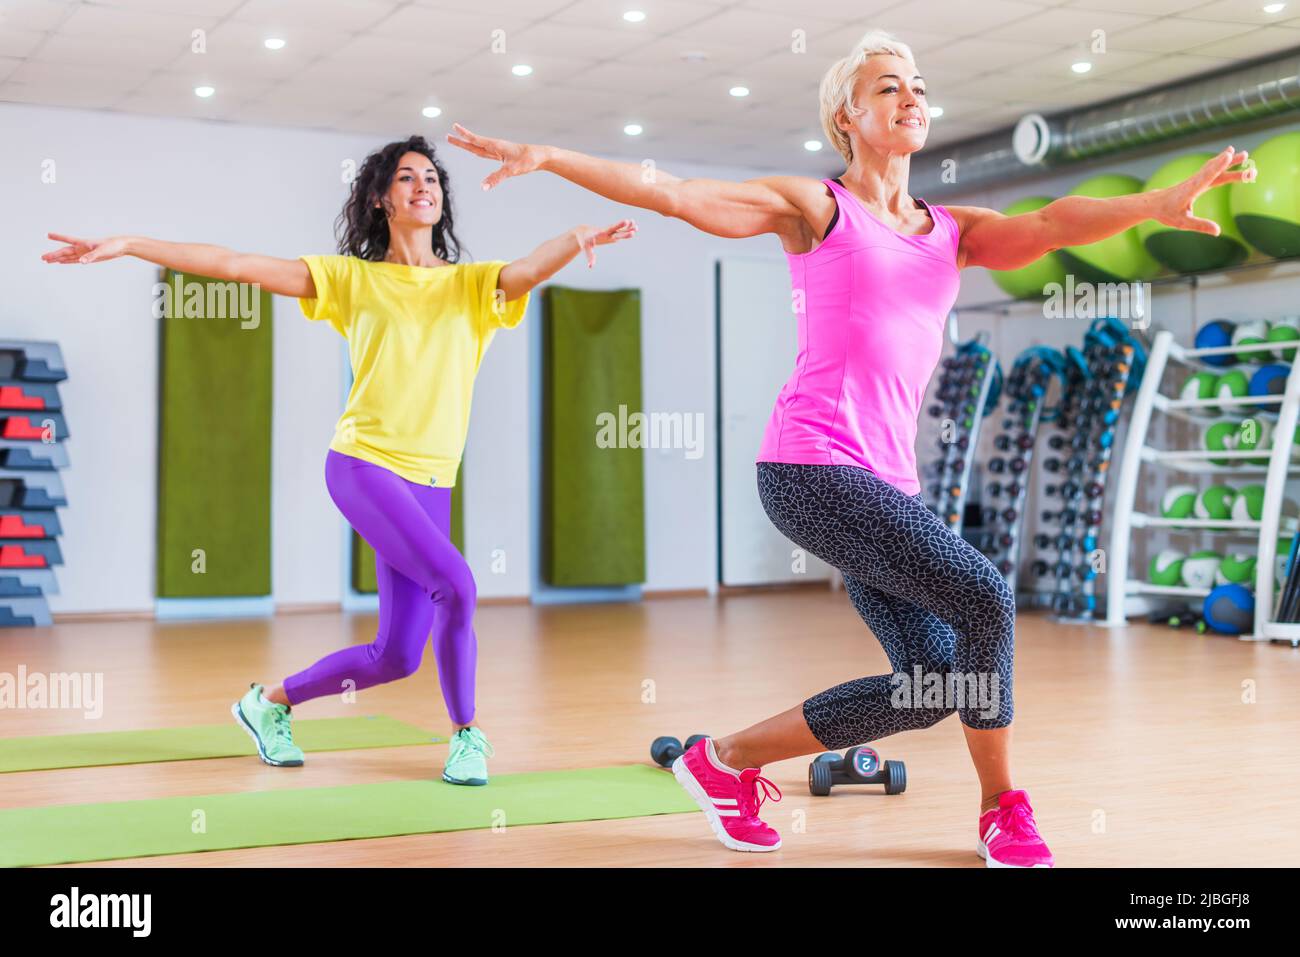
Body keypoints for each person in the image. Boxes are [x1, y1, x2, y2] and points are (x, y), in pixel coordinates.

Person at [446, 30, 1254, 863]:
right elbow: (675, 192)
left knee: (935, 684)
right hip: (808, 465)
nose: (912, 98)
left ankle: (721, 761)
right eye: (889, 87)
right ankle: (1001, 804)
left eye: (920, 87)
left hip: (888, 486)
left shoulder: (954, 231)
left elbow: (1052, 222)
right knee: (984, 592)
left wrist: (1153, 205)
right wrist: (547, 155)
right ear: (848, 114)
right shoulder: (817, 209)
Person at [43, 135, 637, 787]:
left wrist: (574, 236)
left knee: (397, 655)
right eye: (408, 177)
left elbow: (526, 268)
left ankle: (267, 703)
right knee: (459, 586)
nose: (425, 186)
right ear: (381, 197)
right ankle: (468, 735)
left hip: (432, 482)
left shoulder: (472, 287)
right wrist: (131, 244)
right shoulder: (351, 279)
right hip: (363, 464)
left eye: (433, 178)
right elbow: (236, 263)